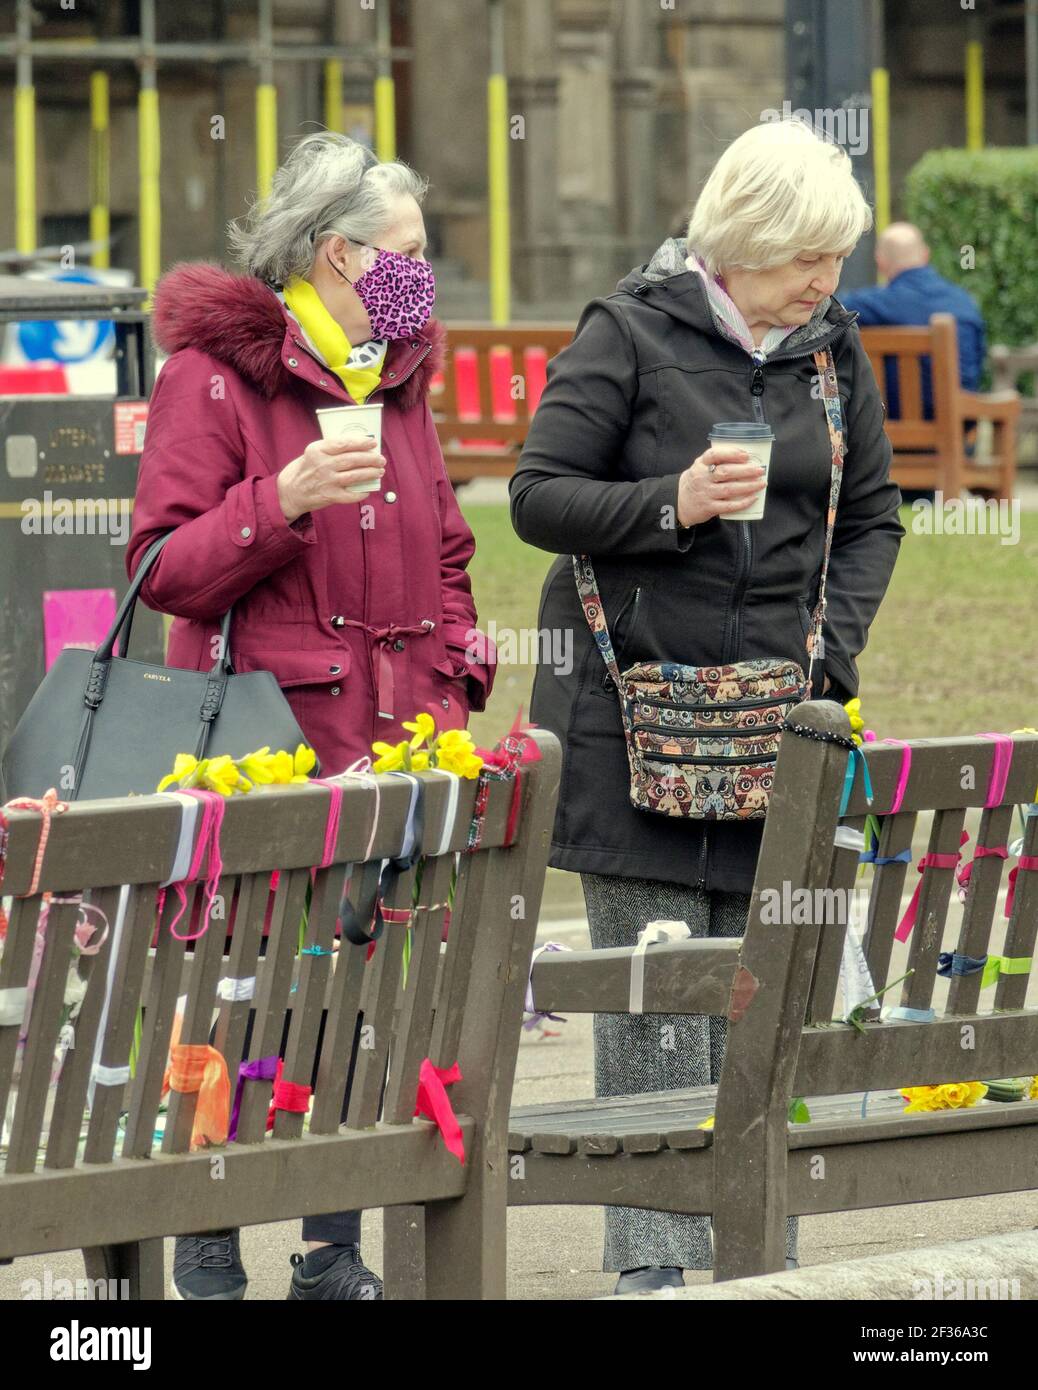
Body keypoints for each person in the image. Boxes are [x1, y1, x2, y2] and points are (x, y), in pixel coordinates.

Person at [510, 119, 904, 1293]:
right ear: (742, 242)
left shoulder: (831, 352)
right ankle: (657, 1277)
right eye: (806, 259)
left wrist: (825, 658)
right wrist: (671, 502)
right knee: (652, 1020)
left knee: (757, 1009)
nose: (828, 283)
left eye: (836, 259)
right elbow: (538, 496)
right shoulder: (628, 332)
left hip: (770, 729)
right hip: (631, 728)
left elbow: (875, 515)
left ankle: (759, 1266)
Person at [127, 131, 495, 1300]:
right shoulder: (215, 375)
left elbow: (446, 547)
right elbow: (162, 570)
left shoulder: (399, 370)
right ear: (338, 255)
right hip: (262, 749)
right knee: (243, 997)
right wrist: (277, 500)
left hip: (393, 745)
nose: (422, 279)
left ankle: (329, 1252)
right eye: (407, 257)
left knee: (356, 1002)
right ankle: (211, 1242)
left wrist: (456, 678)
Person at [839, 221, 986, 418]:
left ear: (881, 262)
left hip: (892, 432)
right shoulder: (965, 302)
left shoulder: (871, 305)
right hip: (960, 428)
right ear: (926, 254)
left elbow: (830, 311)